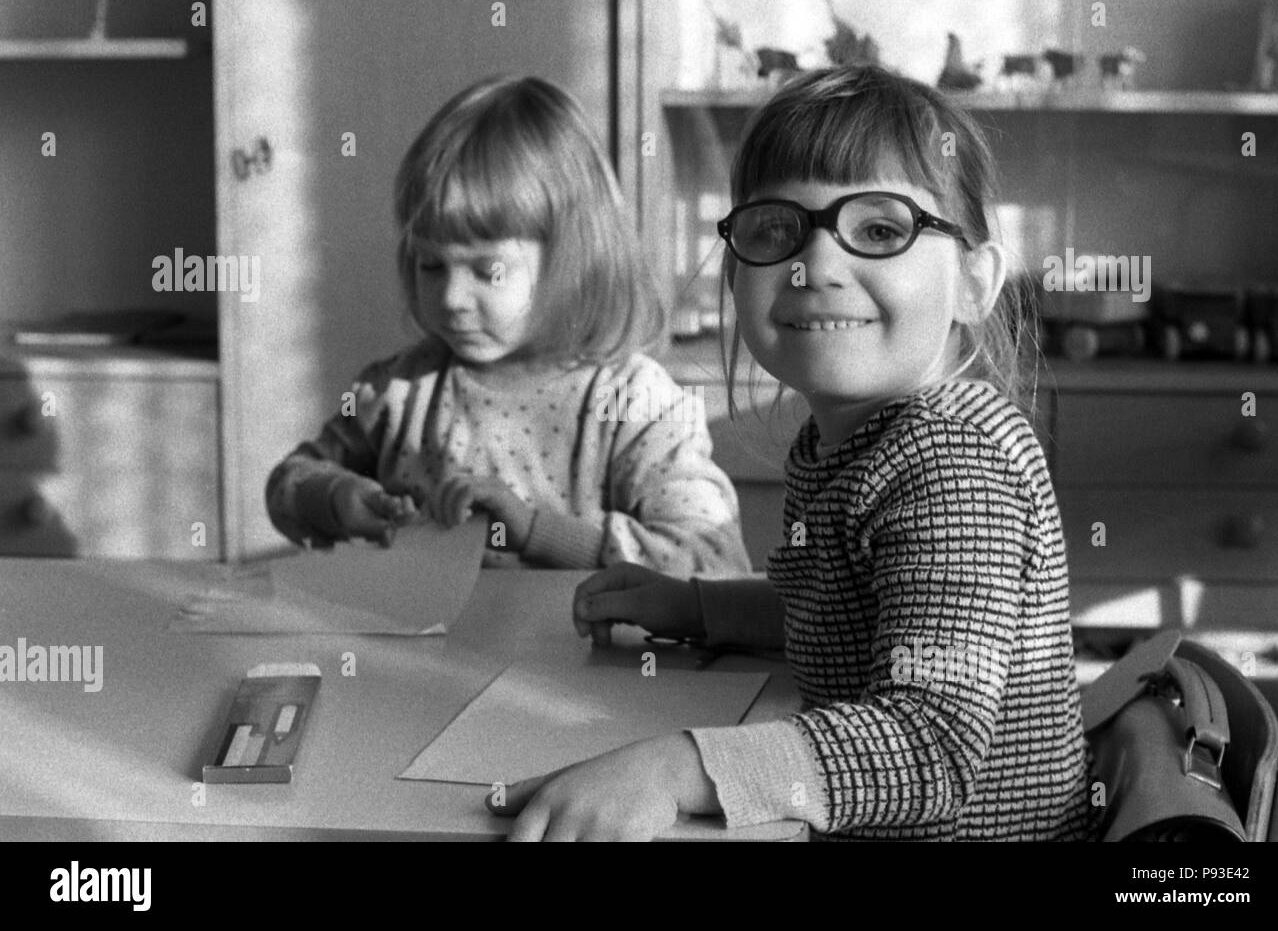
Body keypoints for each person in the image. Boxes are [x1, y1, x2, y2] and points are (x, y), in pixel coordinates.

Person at [495, 66, 1098, 840]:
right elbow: (848, 613)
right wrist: (698, 606)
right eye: (776, 230)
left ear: (975, 284)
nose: (815, 266)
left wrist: (678, 768)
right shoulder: (850, 436)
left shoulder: (954, 466)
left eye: (881, 230)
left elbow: (930, 746)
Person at [266, 76, 750, 575]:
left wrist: (538, 532)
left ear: (574, 261)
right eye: (431, 266)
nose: (451, 299)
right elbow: (286, 484)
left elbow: (714, 562)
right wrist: (336, 497)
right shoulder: (398, 391)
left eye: (487, 271)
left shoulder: (637, 405)